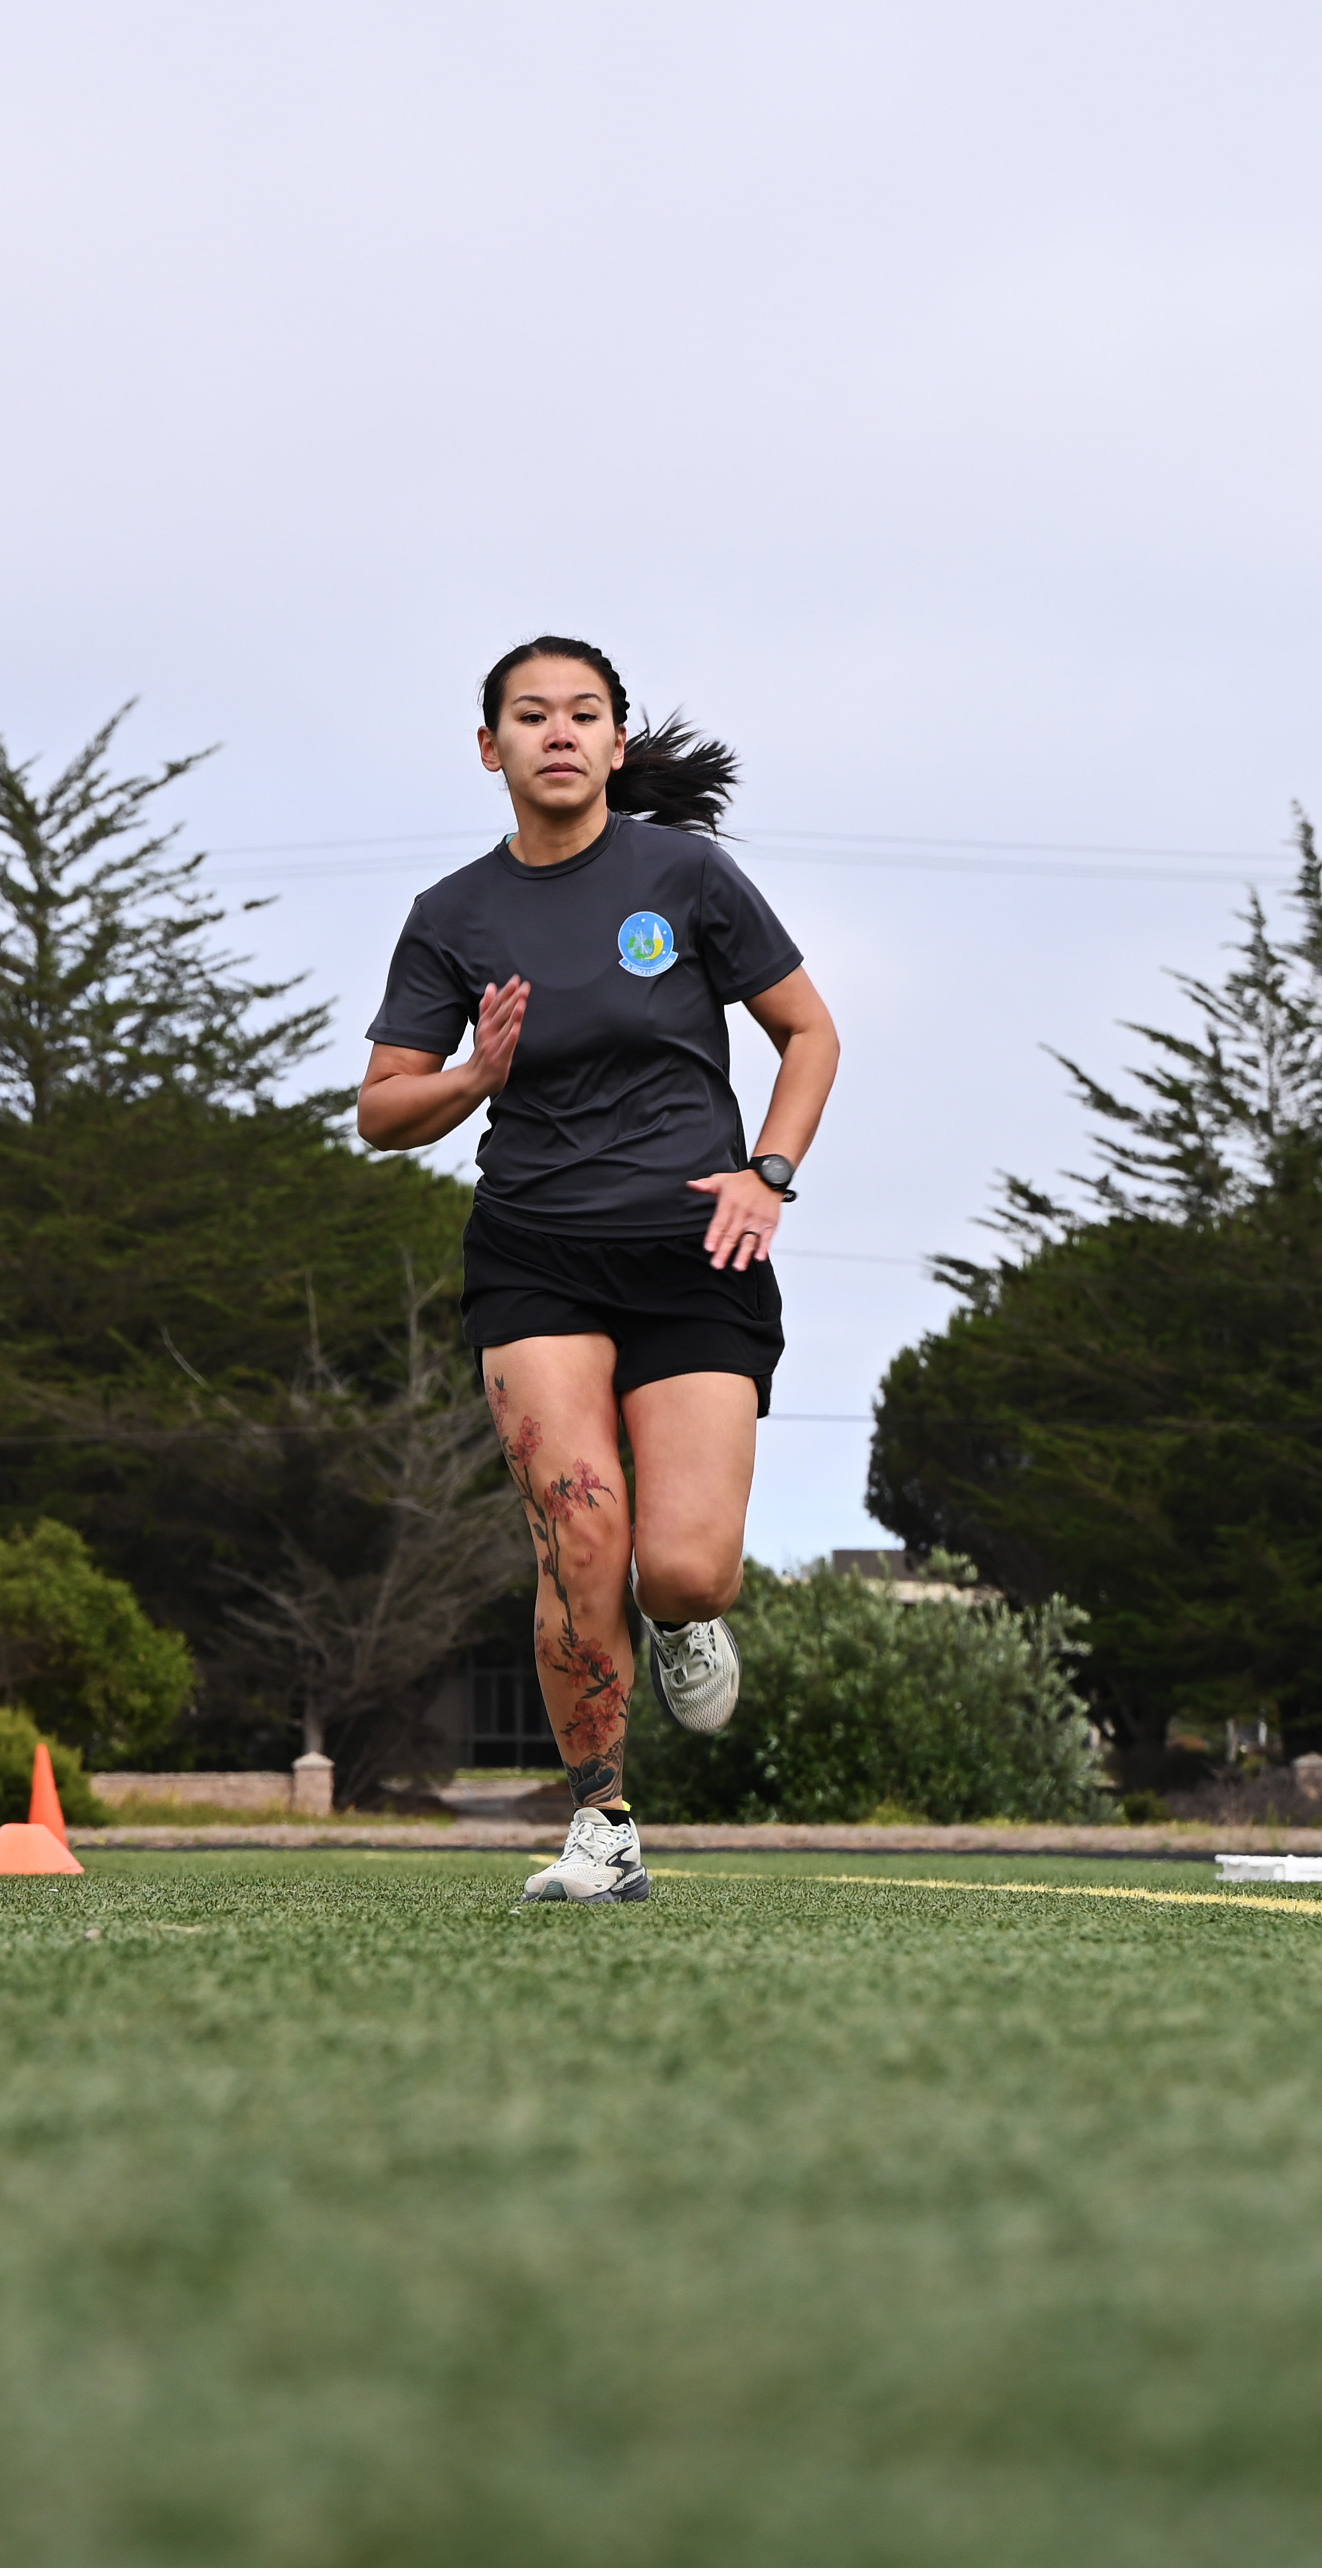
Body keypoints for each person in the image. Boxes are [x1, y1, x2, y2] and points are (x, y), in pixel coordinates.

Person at [359, 637, 842, 1904]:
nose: (557, 732)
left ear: (617, 744)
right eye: (530, 715)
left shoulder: (684, 874)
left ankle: (682, 1622)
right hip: (532, 1255)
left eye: (583, 713)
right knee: (578, 1531)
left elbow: (806, 1031)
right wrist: (472, 1076)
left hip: (696, 1248)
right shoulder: (450, 916)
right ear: (490, 749)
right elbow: (380, 1109)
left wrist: (767, 1172)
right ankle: (602, 1824)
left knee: (677, 1565)